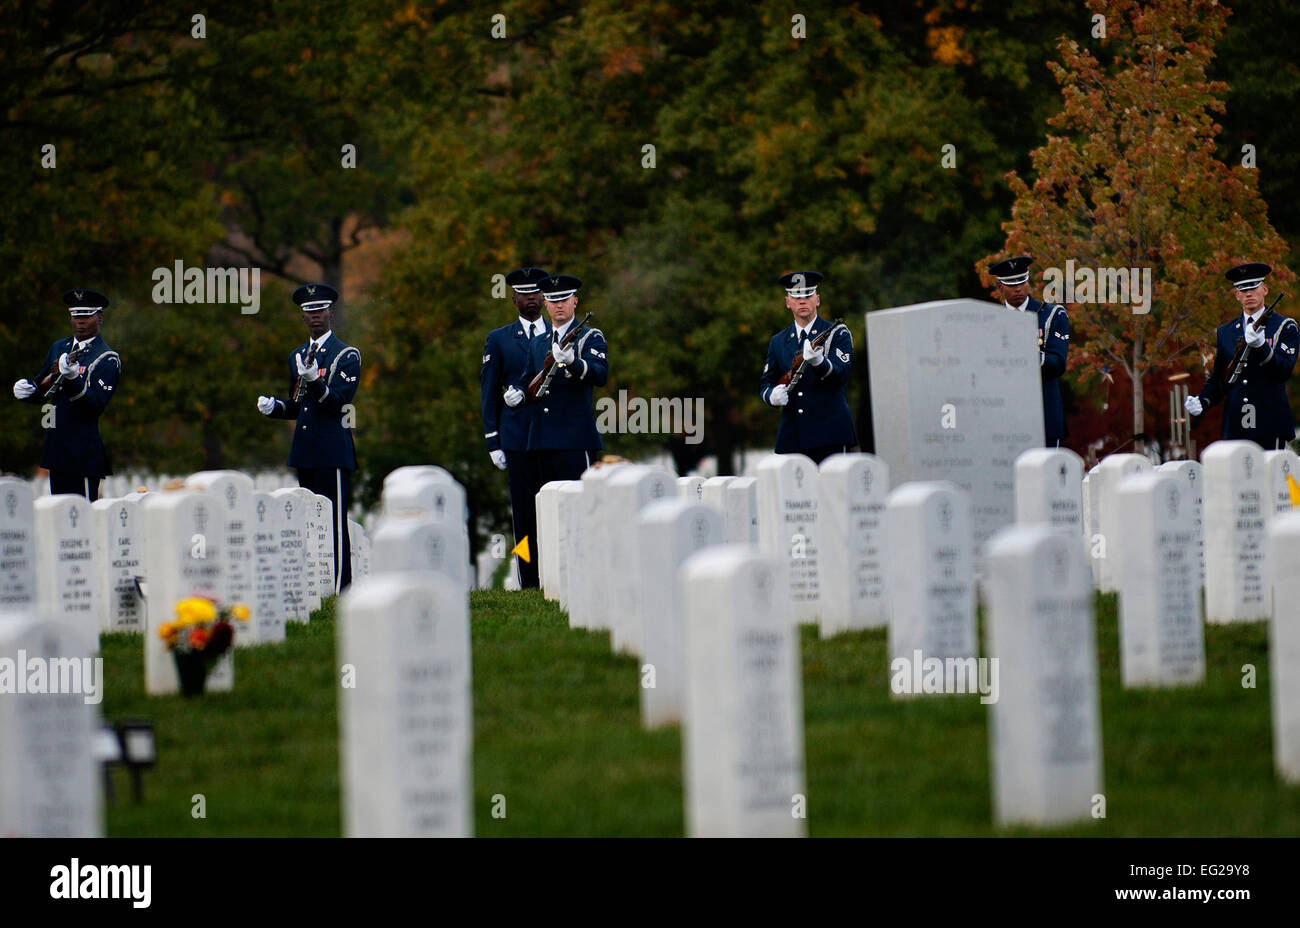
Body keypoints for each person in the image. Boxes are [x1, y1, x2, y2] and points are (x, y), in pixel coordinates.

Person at [256, 283, 360, 592]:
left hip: (332, 450)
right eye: (308, 311)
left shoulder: (346, 354)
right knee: (310, 523)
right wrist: (275, 407)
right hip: (306, 449)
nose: (315, 316)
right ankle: (318, 586)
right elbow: (300, 406)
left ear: (331, 313)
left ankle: (342, 587)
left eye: (320, 310)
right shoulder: (297, 355)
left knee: (334, 521)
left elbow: (337, 403)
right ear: (302, 317)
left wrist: (316, 381)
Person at [11, 289, 121, 501]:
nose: (80, 322)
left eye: (86, 316)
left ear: (100, 317)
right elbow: (46, 389)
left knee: (84, 515)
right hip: (56, 447)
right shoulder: (59, 347)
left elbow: (94, 405)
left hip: (83, 451)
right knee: (61, 519)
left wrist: (72, 379)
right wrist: (29, 392)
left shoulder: (106, 358)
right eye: (75, 316)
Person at [481, 266, 551, 588]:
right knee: (524, 517)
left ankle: (556, 575)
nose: (531, 299)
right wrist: (493, 440)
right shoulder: (498, 340)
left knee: (554, 508)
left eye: (536, 292)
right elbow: (489, 392)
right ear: (514, 299)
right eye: (524, 293)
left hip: (553, 436)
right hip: (518, 438)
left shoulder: (558, 335)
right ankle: (529, 580)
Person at [1185, 262, 1297, 450]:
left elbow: (1283, 371)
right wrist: (1203, 400)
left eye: (1253, 287)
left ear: (1265, 289)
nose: (1249, 294)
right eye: (1243, 290)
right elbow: (1220, 379)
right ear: (1237, 295)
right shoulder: (1225, 332)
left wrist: (1262, 347)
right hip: (1236, 424)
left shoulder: (1284, 327)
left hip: (1269, 422)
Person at [511, 274, 607, 485]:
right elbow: (527, 380)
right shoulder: (538, 342)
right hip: (540, 440)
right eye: (554, 301)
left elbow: (600, 374)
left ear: (575, 301)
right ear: (546, 304)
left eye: (564, 300)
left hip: (574, 439)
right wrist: (518, 393)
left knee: (581, 505)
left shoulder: (589, 337)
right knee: (547, 509)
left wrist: (574, 362)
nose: (559, 306)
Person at [759, 270, 856, 465]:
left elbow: (841, 374)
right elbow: (766, 383)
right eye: (796, 297)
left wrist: (820, 362)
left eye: (808, 296)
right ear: (788, 302)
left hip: (830, 435)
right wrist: (771, 396)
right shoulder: (778, 341)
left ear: (817, 299)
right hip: (792, 437)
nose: (802, 301)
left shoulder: (837, 333)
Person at [988, 256, 1070, 447]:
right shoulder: (991, 321)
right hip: (1004, 420)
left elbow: (1057, 364)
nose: (1018, 289)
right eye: (1011, 284)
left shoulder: (1051, 315)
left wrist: (1023, 354)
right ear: (1000, 287)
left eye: (1022, 282)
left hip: (1044, 416)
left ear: (1028, 281)